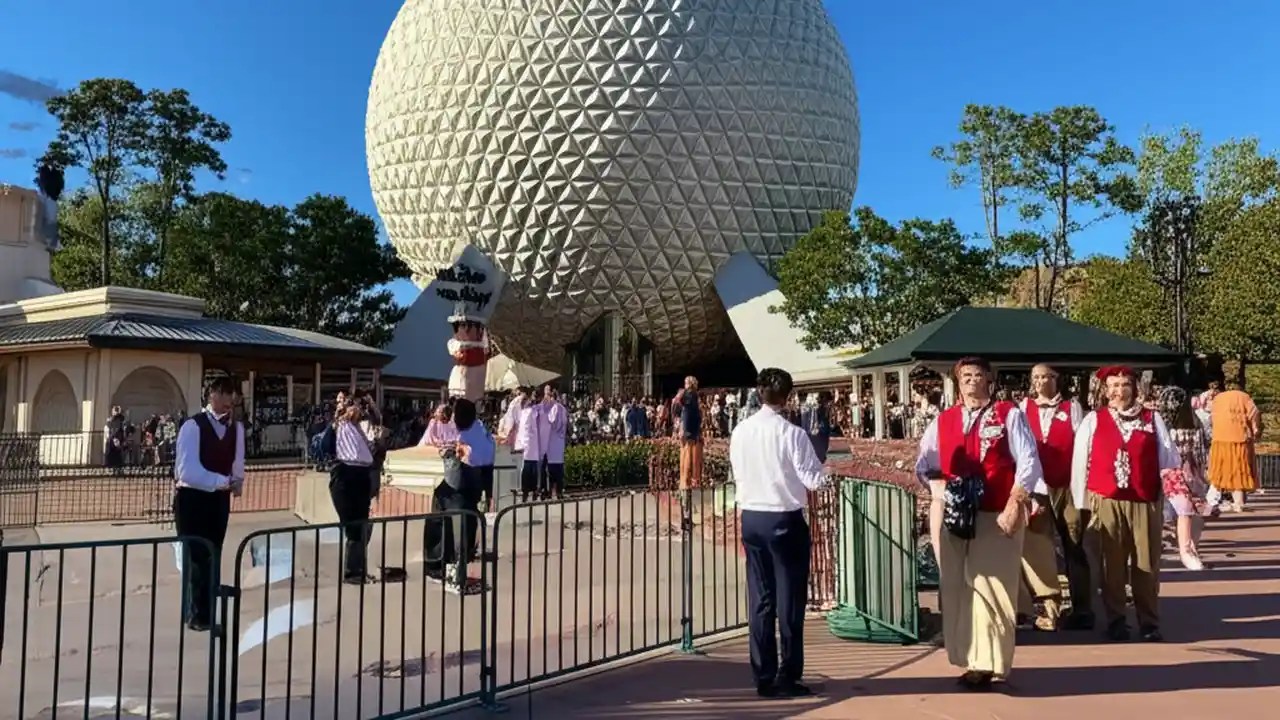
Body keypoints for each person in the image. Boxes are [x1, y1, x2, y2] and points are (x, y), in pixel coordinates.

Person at [914, 356, 1041, 689]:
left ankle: (988, 663)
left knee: (993, 588)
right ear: (958, 382)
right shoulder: (944, 420)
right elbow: (924, 464)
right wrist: (942, 489)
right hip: (957, 515)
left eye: (978, 374)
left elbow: (1029, 463)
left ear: (989, 379)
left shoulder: (1009, 415)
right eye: (965, 375)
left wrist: (1015, 504)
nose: (972, 379)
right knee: (957, 585)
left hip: (995, 513)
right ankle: (969, 656)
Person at [729, 368, 829, 698]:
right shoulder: (792, 434)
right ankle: (788, 673)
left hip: (752, 516)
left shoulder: (740, 431)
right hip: (784, 517)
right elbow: (813, 478)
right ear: (788, 396)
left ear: (759, 393)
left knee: (761, 599)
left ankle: (763, 673)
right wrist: (827, 469)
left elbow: (737, 472)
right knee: (789, 600)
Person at [1071, 366, 1181, 642]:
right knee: (1111, 563)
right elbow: (1080, 461)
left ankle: (1149, 622)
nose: (1119, 391)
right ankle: (1116, 619)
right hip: (1106, 499)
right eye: (1114, 386)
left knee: (1146, 562)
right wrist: (1082, 501)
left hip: (1144, 499)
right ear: (1106, 390)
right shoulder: (1093, 420)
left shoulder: (1151, 419)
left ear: (1134, 388)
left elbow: (1168, 461)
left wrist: (1168, 505)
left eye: (1125, 385)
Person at [1017, 363, 1091, 632]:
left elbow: (1083, 447)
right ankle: (1047, 609)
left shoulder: (1072, 408)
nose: (1039, 382)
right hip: (1038, 486)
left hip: (1067, 486)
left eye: (1044, 376)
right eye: (1035, 377)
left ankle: (1083, 608)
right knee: (1039, 548)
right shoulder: (1024, 408)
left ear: (1056, 379)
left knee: (1074, 543)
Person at [173, 376, 245, 631]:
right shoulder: (193, 426)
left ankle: (206, 610)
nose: (229, 401)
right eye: (224, 394)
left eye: (232, 395)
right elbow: (187, 471)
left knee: (214, 553)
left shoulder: (236, 428)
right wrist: (223, 481)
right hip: (192, 498)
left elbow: (237, 463)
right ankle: (196, 614)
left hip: (218, 499)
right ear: (211, 394)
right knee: (195, 556)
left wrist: (236, 482)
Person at [425, 399, 490, 592]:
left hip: (461, 486)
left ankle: (454, 575)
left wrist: (452, 453)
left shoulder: (472, 435)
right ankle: (439, 567)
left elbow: (469, 457)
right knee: (443, 524)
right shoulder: (474, 431)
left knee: (459, 531)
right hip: (454, 487)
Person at [1157, 386, 1212, 570]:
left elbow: (1200, 453)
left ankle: (1187, 549)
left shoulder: (1160, 425)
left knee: (1187, 511)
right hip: (1177, 474)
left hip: (1176, 473)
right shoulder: (1191, 426)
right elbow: (1201, 454)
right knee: (1187, 511)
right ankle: (1187, 550)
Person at [331, 399, 376, 584]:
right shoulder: (339, 426)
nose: (356, 411)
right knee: (354, 528)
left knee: (361, 526)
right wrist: (339, 413)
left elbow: (370, 449)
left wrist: (371, 407)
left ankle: (359, 570)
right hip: (346, 475)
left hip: (361, 475)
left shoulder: (359, 429)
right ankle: (353, 573)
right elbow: (329, 436)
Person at [1208, 379, 1262, 512]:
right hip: (1239, 437)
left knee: (1221, 469)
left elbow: (1211, 416)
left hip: (1219, 438)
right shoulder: (1244, 397)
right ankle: (1238, 502)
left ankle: (1216, 499)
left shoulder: (1218, 398)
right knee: (1239, 469)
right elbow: (1254, 413)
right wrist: (1255, 429)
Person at [537, 386, 568, 500]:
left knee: (551, 471)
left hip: (552, 444)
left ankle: (550, 492)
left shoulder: (554, 408)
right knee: (558, 470)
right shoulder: (563, 409)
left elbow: (552, 422)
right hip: (559, 444)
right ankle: (559, 492)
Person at [514, 388, 543, 502]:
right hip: (529, 443)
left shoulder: (529, 411)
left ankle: (530, 490)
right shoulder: (527, 412)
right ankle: (529, 490)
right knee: (529, 467)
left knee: (529, 467)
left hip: (530, 443)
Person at [678, 376, 703, 489]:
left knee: (687, 458)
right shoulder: (693, 395)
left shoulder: (689, 394)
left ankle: (686, 484)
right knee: (691, 459)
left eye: (686, 382)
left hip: (689, 432)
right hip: (692, 432)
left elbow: (687, 414)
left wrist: (684, 429)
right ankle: (689, 483)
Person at [800, 392, 834, 463]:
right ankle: (812, 403)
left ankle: (811, 403)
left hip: (814, 437)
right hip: (816, 436)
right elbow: (826, 437)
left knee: (809, 426)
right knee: (811, 426)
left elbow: (826, 438)